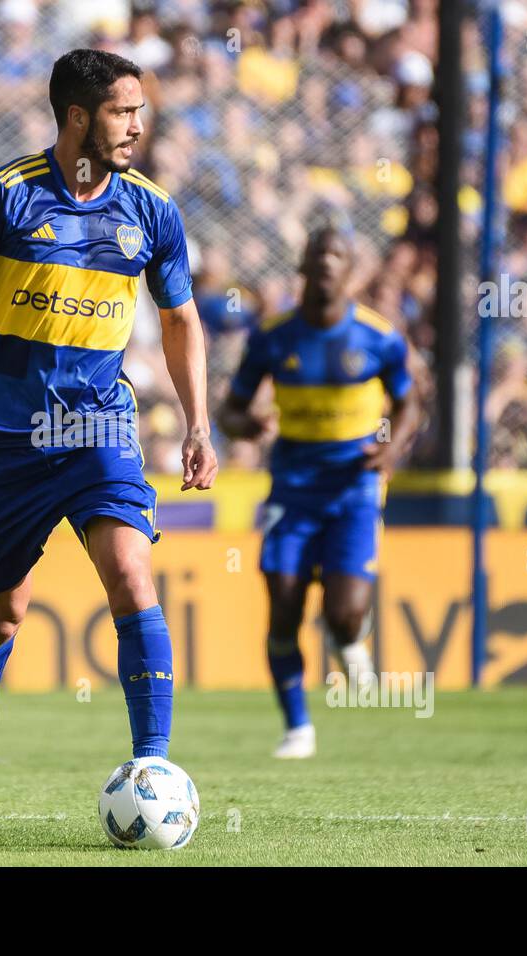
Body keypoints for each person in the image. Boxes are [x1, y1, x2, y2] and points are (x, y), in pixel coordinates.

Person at [0, 49, 217, 816]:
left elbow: (180, 321)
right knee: (3, 611)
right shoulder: (5, 197)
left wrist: (199, 421)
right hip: (8, 434)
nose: (139, 126)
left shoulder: (152, 210)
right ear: (78, 116)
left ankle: (153, 771)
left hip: (101, 426)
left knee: (133, 578)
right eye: (122, 112)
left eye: (141, 111)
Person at [218, 216, 420, 758]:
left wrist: (392, 447)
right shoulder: (273, 336)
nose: (327, 264)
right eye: (319, 255)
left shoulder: (378, 337)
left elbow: (409, 403)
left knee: (345, 612)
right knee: (283, 603)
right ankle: (297, 726)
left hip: (353, 488)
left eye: (338, 256)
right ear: (304, 266)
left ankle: (349, 636)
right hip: (292, 487)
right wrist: (247, 425)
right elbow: (230, 408)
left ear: (351, 272)